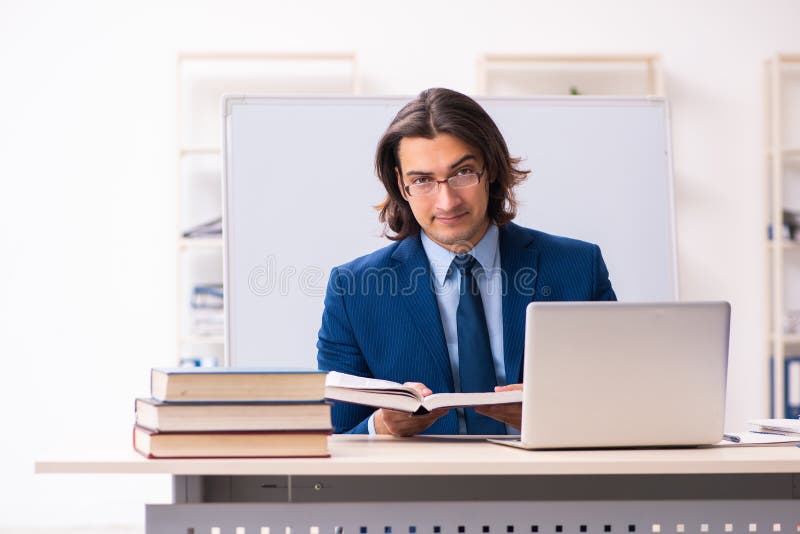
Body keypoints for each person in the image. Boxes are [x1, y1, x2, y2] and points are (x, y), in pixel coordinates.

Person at [317, 88, 616, 436]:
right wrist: (381, 426)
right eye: (423, 180)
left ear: (489, 168)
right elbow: (332, 440)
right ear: (401, 184)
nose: (447, 202)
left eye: (462, 173)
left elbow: (621, 408)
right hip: (415, 488)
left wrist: (553, 416)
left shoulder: (579, 267)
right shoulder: (353, 290)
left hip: (547, 484)